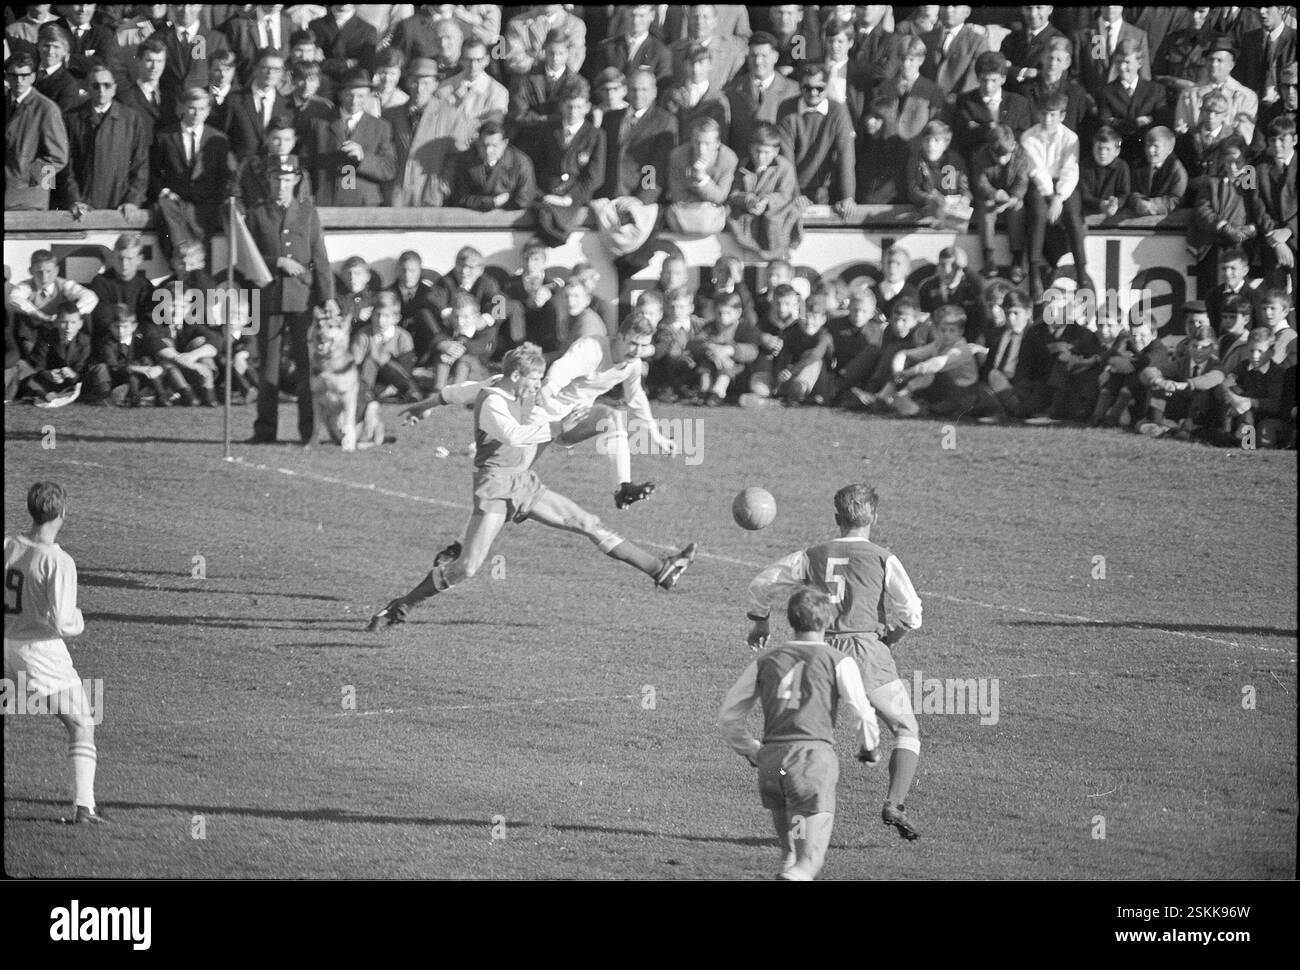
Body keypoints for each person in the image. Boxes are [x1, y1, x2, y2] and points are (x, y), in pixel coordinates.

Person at [365, 343, 696, 632]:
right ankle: (403, 605)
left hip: (522, 482)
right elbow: (514, 435)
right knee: (467, 567)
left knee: (588, 523)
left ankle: (660, 569)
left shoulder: (504, 384)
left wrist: (424, 408)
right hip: (494, 485)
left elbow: (454, 392)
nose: (539, 387)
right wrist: (559, 427)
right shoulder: (494, 401)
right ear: (514, 377)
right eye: (534, 381)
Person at [746, 483, 924, 841]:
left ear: (836, 518)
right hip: (865, 650)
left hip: (818, 651)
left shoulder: (812, 554)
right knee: (905, 729)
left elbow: (763, 582)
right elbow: (912, 613)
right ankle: (895, 803)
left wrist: (761, 619)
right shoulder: (882, 557)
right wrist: (893, 635)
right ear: (874, 516)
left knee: (801, 736)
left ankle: (791, 802)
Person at [717, 588, 881, 881]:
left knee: (790, 854)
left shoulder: (766, 660)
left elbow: (729, 716)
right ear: (827, 619)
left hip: (774, 765)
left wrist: (752, 750)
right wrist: (869, 746)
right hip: (809, 764)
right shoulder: (837, 659)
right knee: (809, 863)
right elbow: (861, 710)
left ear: (790, 619)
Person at [3, 482, 104, 825]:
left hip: (5, 644)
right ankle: (84, 808)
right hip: (38, 653)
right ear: (62, 513)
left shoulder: (7, 544)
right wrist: (79, 619)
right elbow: (63, 622)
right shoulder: (58, 561)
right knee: (81, 722)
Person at [244, 157, 335, 444]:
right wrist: (278, 261)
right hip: (269, 297)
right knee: (268, 367)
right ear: (269, 181)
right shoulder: (257, 214)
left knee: (305, 367)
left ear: (296, 180)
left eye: (286, 180)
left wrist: (328, 297)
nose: (281, 186)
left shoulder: (308, 213)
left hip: (302, 299)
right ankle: (264, 431)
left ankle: (309, 432)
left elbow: (320, 258)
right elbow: (248, 258)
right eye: (276, 180)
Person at [5, 51, 69, 212]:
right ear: (6, 77)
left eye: (25, 75)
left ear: (33, 77)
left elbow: (59, 158)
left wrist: (27, 178)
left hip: (29, 202)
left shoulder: (47, 109)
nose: (19, 80)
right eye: (14, 75)